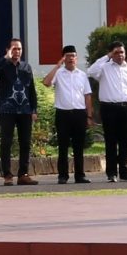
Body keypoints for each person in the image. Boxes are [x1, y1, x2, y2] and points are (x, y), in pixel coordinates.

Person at [0, 38, 39, 186]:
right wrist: (5, 58)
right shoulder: (3, 66)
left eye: (19, 49)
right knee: (6, 142)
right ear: (8, 50)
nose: (17, 51)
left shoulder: (26, 67)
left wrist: (34, 109)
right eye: (14, 48)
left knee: (25, 143)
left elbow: (31, 89)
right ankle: (7, 175)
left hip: (25, 110)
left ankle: (23, 174)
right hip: (7, 110)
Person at [92, 43, 127, 182]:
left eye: (122, 52)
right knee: (111, 141)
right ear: (111, 54)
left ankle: (124, 172)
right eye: (116, 52)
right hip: (110, 108)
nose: (120, 55)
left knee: (125, 142)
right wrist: (107, 56)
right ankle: (111, 173)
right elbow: (90, 71)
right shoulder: (104, 68)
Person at [43, 46, 93, 184]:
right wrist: (57, 66)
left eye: (73, 56)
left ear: (77, 58)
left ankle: (80, 175)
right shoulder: (58, 73)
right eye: (68, 56)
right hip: (63, 114)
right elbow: (46, 83)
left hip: (79, 114)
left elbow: (87, 96)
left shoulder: (82, 75)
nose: (71, 58)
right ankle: (63, 176)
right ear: (64, 58)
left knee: (78, 147)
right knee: (63, 146)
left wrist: (89, 116)